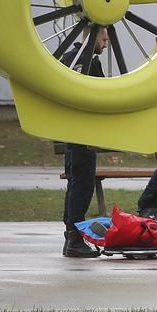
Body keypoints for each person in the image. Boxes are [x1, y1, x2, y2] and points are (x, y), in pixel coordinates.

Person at [61, 26, 108, 258]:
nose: (106, 42)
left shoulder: (69, 57)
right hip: (83, 133)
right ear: (93, 36)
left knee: (75, 183)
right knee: (83, 184)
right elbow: (95, 96)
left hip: (71, 130)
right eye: (103, 37)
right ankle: (74, 239)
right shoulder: (86, 60)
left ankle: (70, 235)